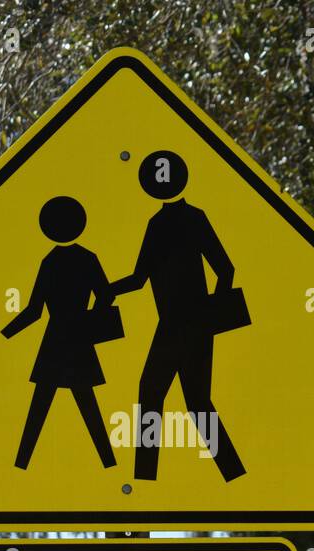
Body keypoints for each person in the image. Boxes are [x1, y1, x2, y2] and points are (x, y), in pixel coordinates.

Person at [109, 150, 246, 482]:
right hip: (194, 323)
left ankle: (144, 479)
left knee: (151, 392)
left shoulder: (162, 224)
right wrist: (210, 313)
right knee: (196, 402)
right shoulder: (185, 219)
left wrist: (108, 290)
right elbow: (224, 270)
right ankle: (233, 472)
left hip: (176, 324)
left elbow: (140, 278)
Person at [2, 196, 117, 470]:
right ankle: (109, 464)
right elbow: (106, 296)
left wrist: (7, 333)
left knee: (44, 405)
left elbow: (34, 310)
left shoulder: (50, 261)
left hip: (56, 341)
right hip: (77, 339)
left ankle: (22, 464)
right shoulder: (86, 258)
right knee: (84, 404)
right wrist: (88, 322)